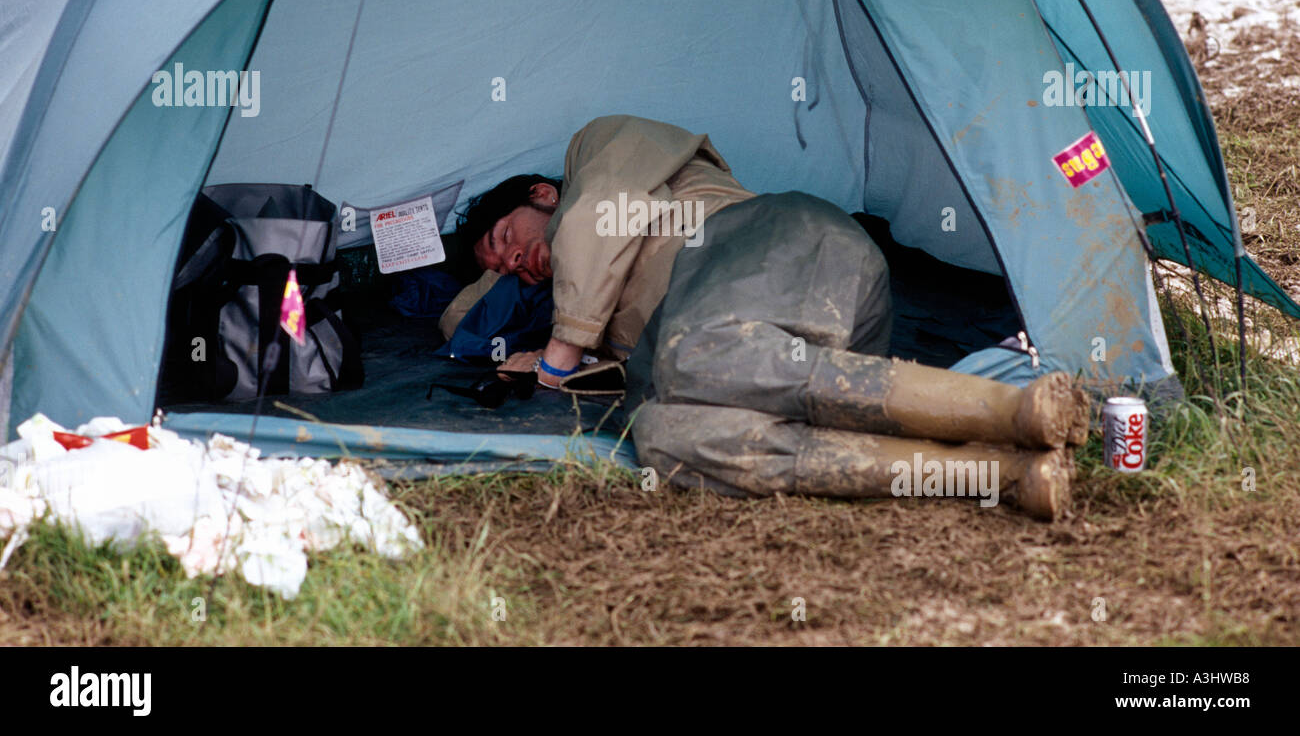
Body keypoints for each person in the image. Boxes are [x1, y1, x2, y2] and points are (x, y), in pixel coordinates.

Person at [452, 115, 1088, 518]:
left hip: (780, 246)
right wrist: (524, 318)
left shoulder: (600, 144)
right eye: (500, 267)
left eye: (507, 236)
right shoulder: (586, 299)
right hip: (741, 350)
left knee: (693, 356)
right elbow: (460, 320)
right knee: (665, 435)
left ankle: (1015, 410)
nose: (513, 260)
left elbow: (595, 215)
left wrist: (561, 354)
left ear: (543, 194)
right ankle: (1003, 474)